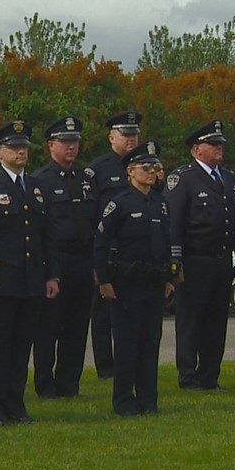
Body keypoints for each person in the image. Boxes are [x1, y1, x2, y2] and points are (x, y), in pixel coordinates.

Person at [0, 120, 59, 424]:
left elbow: (47, 235)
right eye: (14, 147)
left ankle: (15, 404)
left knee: (22, 347)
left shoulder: (36, 187)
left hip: (31, 280)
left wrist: (51, 275)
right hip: (1, 281)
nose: (20, 152)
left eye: (23, 147)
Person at [95, 141, 174, 415]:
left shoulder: (160, 203)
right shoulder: (119, 203)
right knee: (127, 345)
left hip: (154, 283)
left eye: (155, 166)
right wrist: (104, 281)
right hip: (126, 284)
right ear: (131, 170)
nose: (152, 171)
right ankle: (124, 401)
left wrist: (169, 278)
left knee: (150, 343)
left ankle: (148, 400)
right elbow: (101, 244)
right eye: (146, 167)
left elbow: (167, 243)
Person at [164, 119, 235, 391]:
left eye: (220, 143)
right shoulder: (183, 179)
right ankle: (188, 375)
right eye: (212, 143)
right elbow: (174, 224)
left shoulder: (229, 179)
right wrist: (175, 264)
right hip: (194, 261)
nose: (218, 148)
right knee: (190, 321)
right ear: (197, 149)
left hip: (221, 261)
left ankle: (210, 375)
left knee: (216, 322)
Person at [31, 116, 96, 398]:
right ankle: (45, 383)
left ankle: (69, 383)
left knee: (77, 325)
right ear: (51, 145)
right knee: (48, 327)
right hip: (55, 260)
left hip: (82, 261)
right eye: (65, 142)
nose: (71, 147)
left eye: (75, 142)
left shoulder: (85, 180)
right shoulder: (40, 180)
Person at [84, 111, 141, 379]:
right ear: (111, 137)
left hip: (136, 254)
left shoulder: (145, 166)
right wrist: (97, 261)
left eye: (134, 134)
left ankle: (130, 362)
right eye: (125, 134)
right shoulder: (97, 170)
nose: (131, 139)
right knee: (104, 313)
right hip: (108, 251)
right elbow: (91, 217)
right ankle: (106, 366)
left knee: (133, 313)